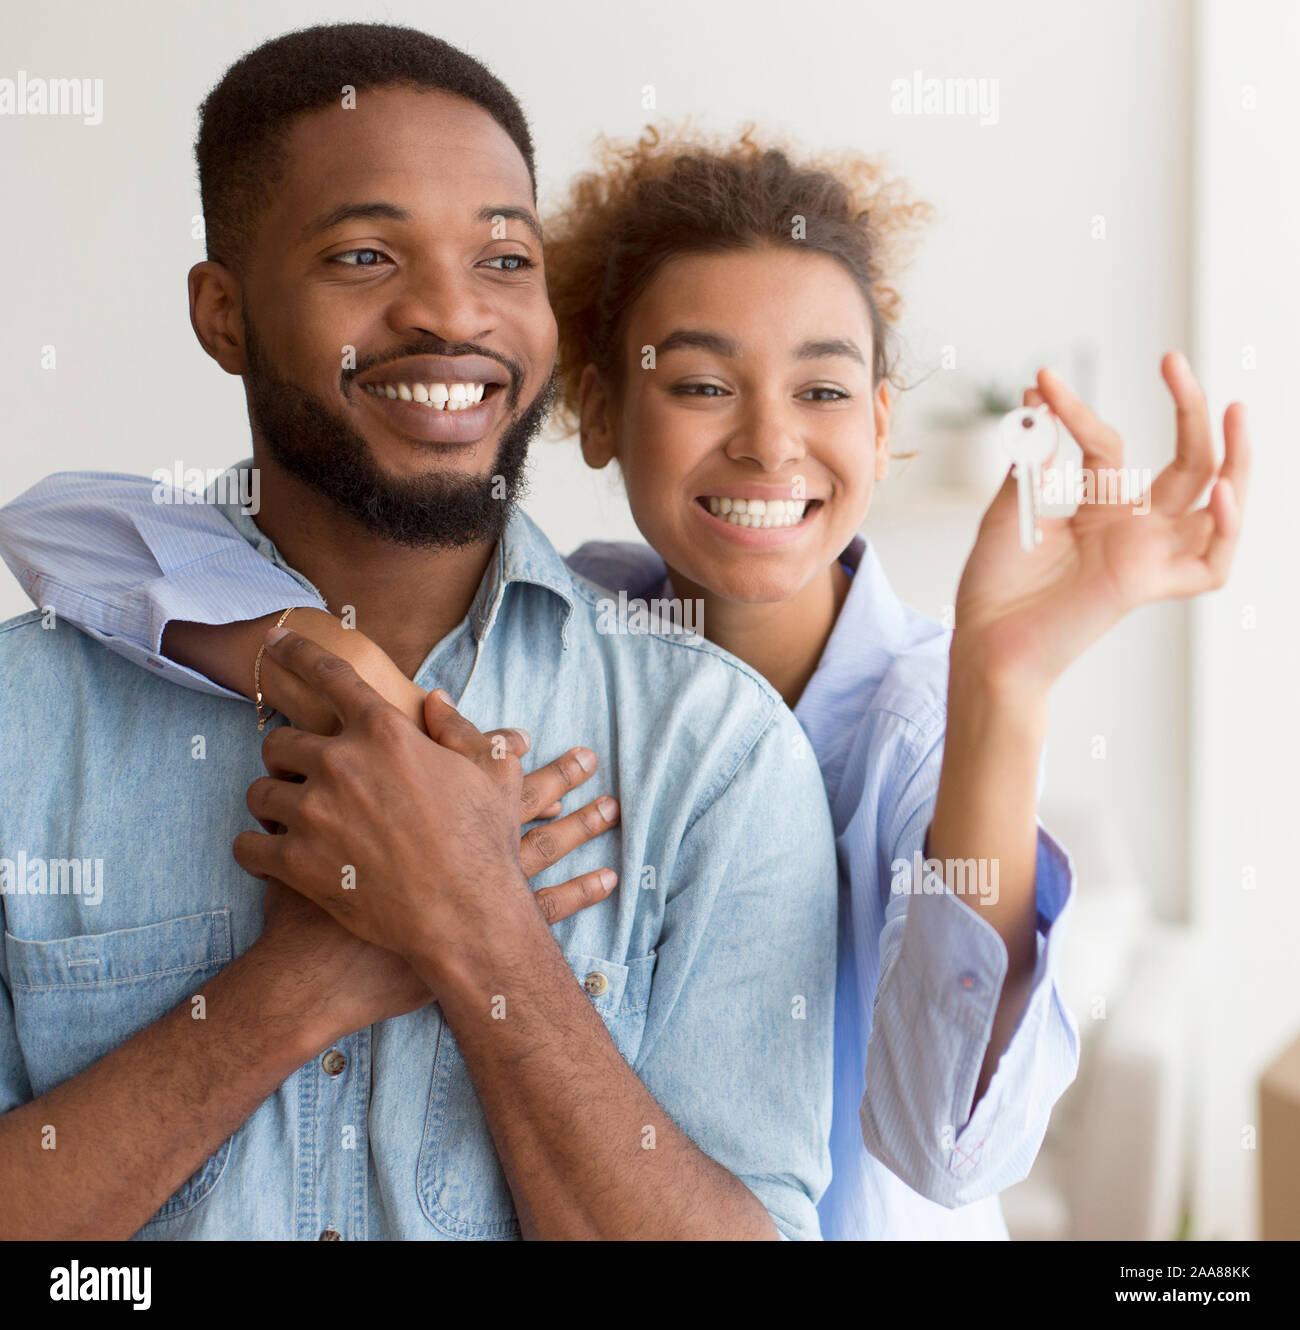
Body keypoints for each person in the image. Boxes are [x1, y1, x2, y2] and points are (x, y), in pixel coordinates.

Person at [2, 108, 1250, 1242]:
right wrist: (325, 659)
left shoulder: (920, 715)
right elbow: (61, 524)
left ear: (878, 424)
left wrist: (1006, 677)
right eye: (701, 385)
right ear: (593, 413)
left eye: (820, 388)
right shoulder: (572, 618)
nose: (766, 439)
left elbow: (951, 1146)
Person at [0, 25, 840, 1241]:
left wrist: (477, 926)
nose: (451, 312)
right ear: (223, 315)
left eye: (505, 258)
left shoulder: (713, 750)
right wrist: (289, 992)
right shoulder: (26, 724)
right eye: (362, 253)